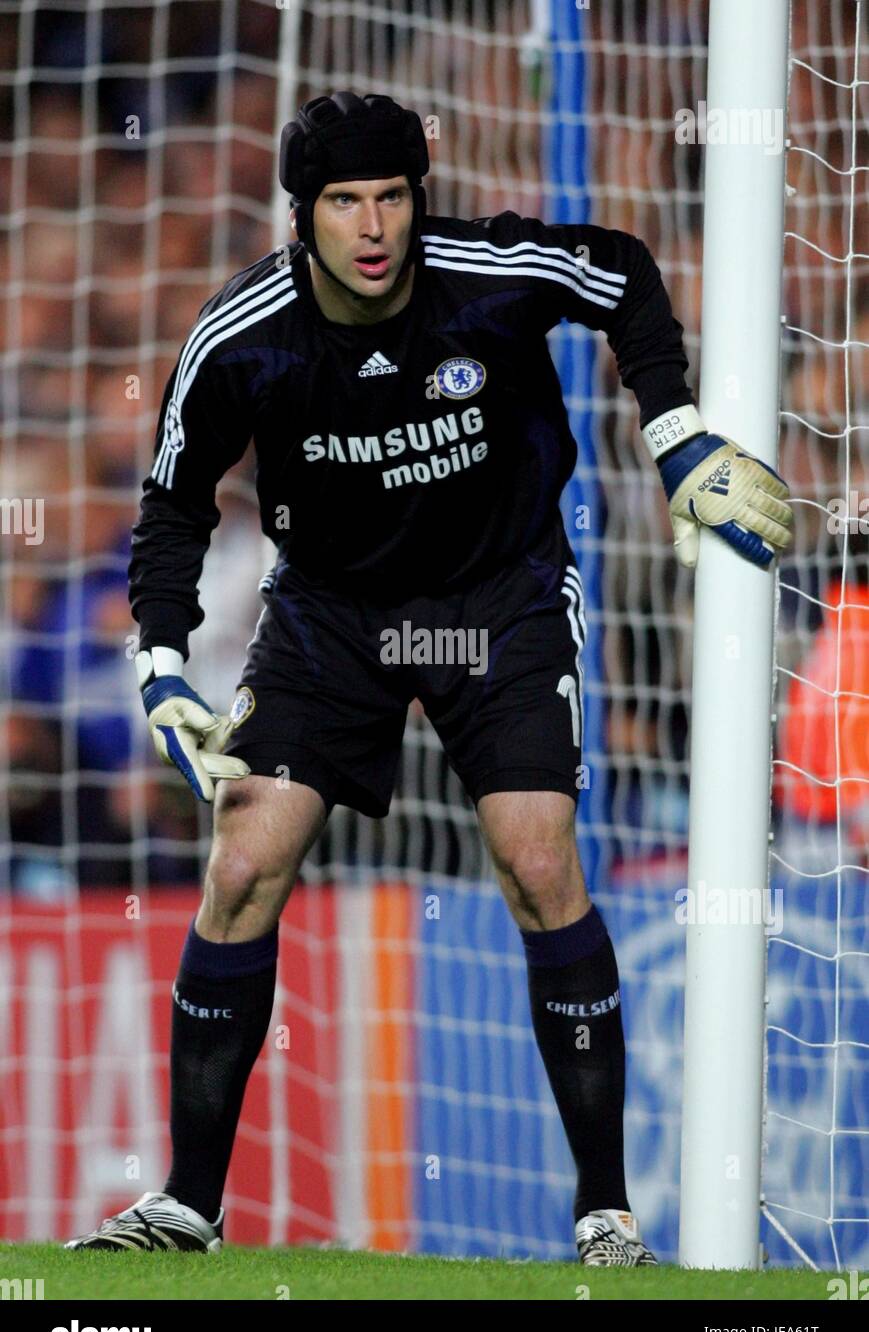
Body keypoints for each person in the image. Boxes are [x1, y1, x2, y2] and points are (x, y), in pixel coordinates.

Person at [65, 92, 793, 1264]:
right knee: (243, 857)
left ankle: (604, 1216)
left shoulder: (486, 272)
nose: (372, 226)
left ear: (417, 199)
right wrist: (160, 668)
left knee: (537, 854)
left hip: (496, 593)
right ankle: (185, 1207)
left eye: (391, 197)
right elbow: (172, 506)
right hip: (331, 616)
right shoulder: (239, 335)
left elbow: (620, 272)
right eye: (344, 201)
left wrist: (675, 437)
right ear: (301, 216)